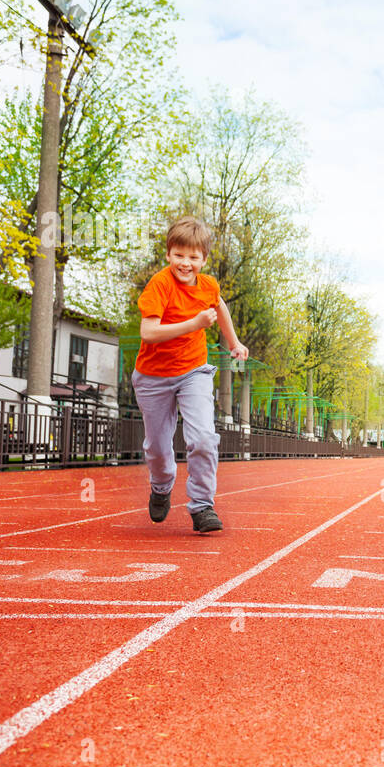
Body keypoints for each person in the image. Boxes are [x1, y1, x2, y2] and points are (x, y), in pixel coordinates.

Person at [132, 216, 248, 533]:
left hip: (193, 371)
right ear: (168, 254)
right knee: (157, 447)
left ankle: (201, 506)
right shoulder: (160, 284)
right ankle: (161, 485)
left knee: (204, 439)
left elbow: (218, 306)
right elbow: (149, 332)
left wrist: (234, 342)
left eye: (193, 257)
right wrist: (194, 325)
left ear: (203, 260)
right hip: (153, 376)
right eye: (179, 255)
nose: (186, 263)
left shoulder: (208, 285)